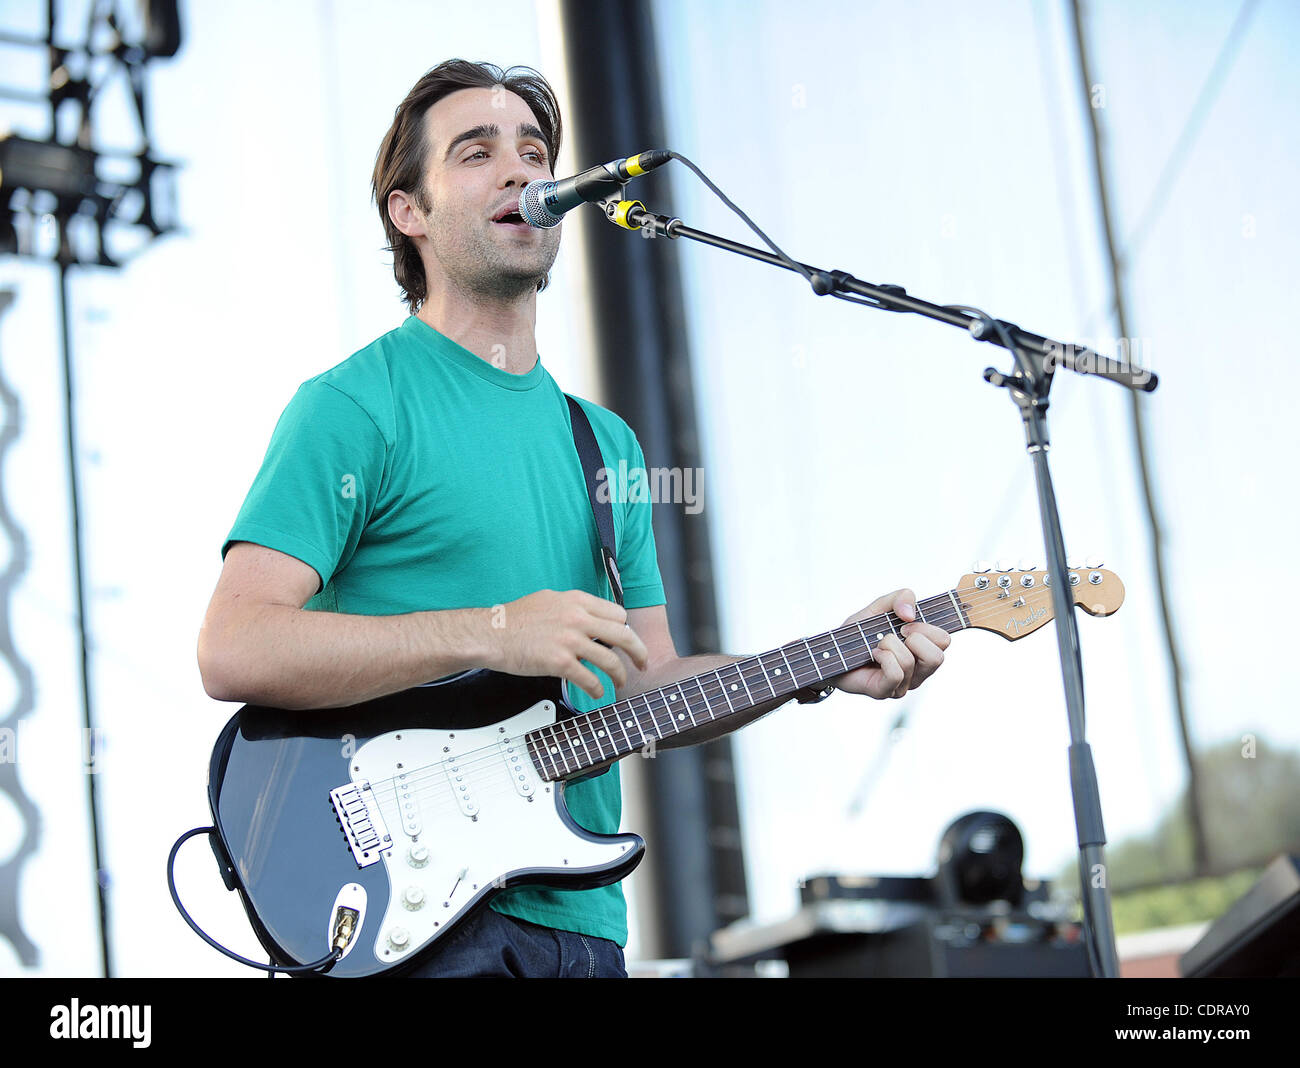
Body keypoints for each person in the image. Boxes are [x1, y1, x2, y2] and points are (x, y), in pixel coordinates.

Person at [196, 59, 951, 978]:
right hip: (410, 918)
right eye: (477, 154)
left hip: (586, 929)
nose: (520, 172)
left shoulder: (609, 448)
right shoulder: (354, 408)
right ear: (411, 213)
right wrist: (499, 632)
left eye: (534, 150)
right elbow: (232, 647)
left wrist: (821, 665)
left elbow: (650, 683)